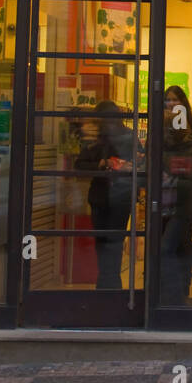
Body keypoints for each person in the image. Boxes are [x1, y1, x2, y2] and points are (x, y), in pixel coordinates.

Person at [74, 100, 139, 289]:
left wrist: (126, 165)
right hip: (109, 195)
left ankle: (106, 286)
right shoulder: (99, 139)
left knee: (109, 243)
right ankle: (108, 285)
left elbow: (140, 162)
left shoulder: (121, 136)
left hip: (116, 195)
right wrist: (101, 164)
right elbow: (80, 165)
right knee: (107, 243)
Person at [159, 85, 192, 305]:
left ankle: (174, 297)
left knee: (168, 245)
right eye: (167, 100)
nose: (170, 104)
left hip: (184, 197)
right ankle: (174, 293)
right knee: (179, 243)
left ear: (183, 103)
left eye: (175, 100)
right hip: (162, 196)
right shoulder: (160, 129)